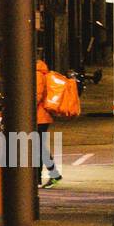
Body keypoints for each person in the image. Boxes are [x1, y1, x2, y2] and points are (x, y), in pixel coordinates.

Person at [34, 60, 62, 189]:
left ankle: (41, 177)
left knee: (37, 148)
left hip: (40, 118)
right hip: (39, 117)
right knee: (38, 147)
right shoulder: (38, 73)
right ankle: (51, 175)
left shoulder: (38, 74)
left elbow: (37, 96)